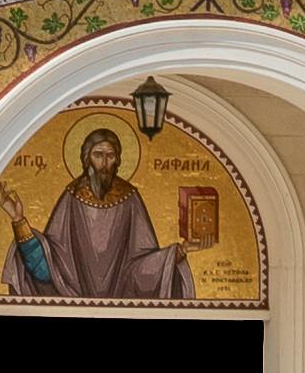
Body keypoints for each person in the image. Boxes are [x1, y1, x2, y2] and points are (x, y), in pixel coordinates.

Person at [11, 123, 197, 301]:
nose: (104, 163)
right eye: (98, 155)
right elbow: (53, 263)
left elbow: (141, 264)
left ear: (117, 159)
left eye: (110, 156)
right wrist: (19, 221)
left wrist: (178, 252)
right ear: (86, 158)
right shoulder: (72, 196)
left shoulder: (129, 198)